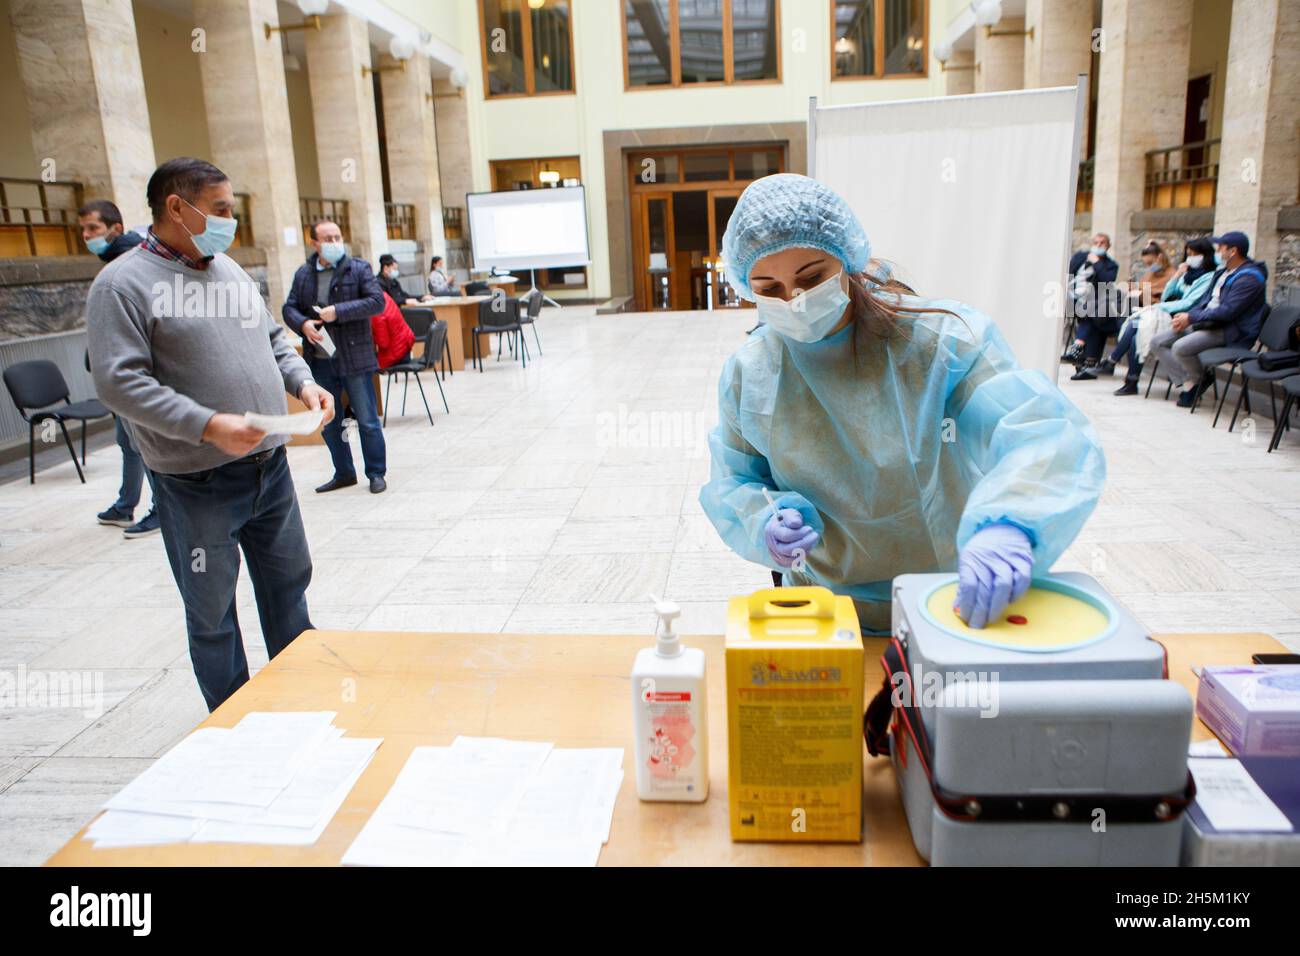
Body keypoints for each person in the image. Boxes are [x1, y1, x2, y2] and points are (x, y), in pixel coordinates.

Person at [700, 174, 1105, 634]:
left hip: (948, 601)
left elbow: (1038, 430)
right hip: (827, 610)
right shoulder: (750, 373)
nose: (793, 301)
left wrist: (1010, 522)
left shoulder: (939, 343)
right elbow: (736, 479)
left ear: (848, 261)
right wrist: (765, 521)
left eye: (812, 278)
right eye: (768, 288)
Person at [86, 157, 335, 710]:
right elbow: (119, 382)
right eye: (220, 209)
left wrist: (303, 382)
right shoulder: (121, 286)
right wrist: (206, 424)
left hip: (269, 470)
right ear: (177, 207)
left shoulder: (228, 269)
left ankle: (303, 699)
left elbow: (271, 337)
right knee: (212, 611)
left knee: (288, 587)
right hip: (195, 482)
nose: (230, 221)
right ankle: (234, 725)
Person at [282, 221, 388, 494]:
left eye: (337, 236)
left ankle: (376, 473)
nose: (334, 242)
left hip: (354, 356)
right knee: (330, 420)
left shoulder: (358, 268)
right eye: (327, 238)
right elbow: (289, 307)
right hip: (320, 358)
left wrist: (338, 311)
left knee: (366, 419)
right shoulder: (304, 274)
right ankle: (343, 472)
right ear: (314, 243)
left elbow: (376, 301)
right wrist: (303, 324)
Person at [80, 200, 159, 537]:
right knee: (128, 442)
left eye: (93, 229)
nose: (87, 236)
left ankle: (161, 509)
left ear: (115, 227)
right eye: (83, 230)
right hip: (118, 373)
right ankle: (126, 505)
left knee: (144, 443)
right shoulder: (115, 260)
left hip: (133, 374)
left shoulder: (126, 264)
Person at [1149, 230, 1269, 408]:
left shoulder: (1249, 279)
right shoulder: (1223, 273)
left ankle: (1195, 382)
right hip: (1207, 323)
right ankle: (1193, 381)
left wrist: (1190, 317)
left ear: (1233, 251)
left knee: (1180, 348)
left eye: (1221, 247)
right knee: (1157, 342)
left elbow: (1227, 312)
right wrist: (1187, 316)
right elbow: (1206, 302)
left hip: (1230, 330)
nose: (1218, 251)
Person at [1100, 238, 1216, 395]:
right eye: (1188, 254)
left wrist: (1154, 301)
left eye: (1194, 254)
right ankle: (1125, 376)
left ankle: (1117, 366)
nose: (1190, 258)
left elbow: (1187, 302)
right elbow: (1168, 294)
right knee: (1134, 326)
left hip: (1178, 318)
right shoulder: (1185, 274)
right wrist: (1178, 276)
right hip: (1158, 314)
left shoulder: (1206, 277)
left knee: (1136, 328)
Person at [1064, 233, 1122, 377]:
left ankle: (1080, 356)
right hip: (1071, 297)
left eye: (1102, 243)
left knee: (1093, 313)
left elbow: (1107, 281)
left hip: (1092, 302)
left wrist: (1097, 263)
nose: (1099, 245)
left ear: (1108, 246)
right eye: (1096, 242)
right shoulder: (1080, 257)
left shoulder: (1111, 265)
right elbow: (1066, 272)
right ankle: (1086, 361)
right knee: (1093, 312)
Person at [371, 291, 416, 369]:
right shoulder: (384, 295)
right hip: (405, 346)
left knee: (362, 365)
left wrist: (372, 335)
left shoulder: (376, 312)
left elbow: (383, 343)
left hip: (396, 355)